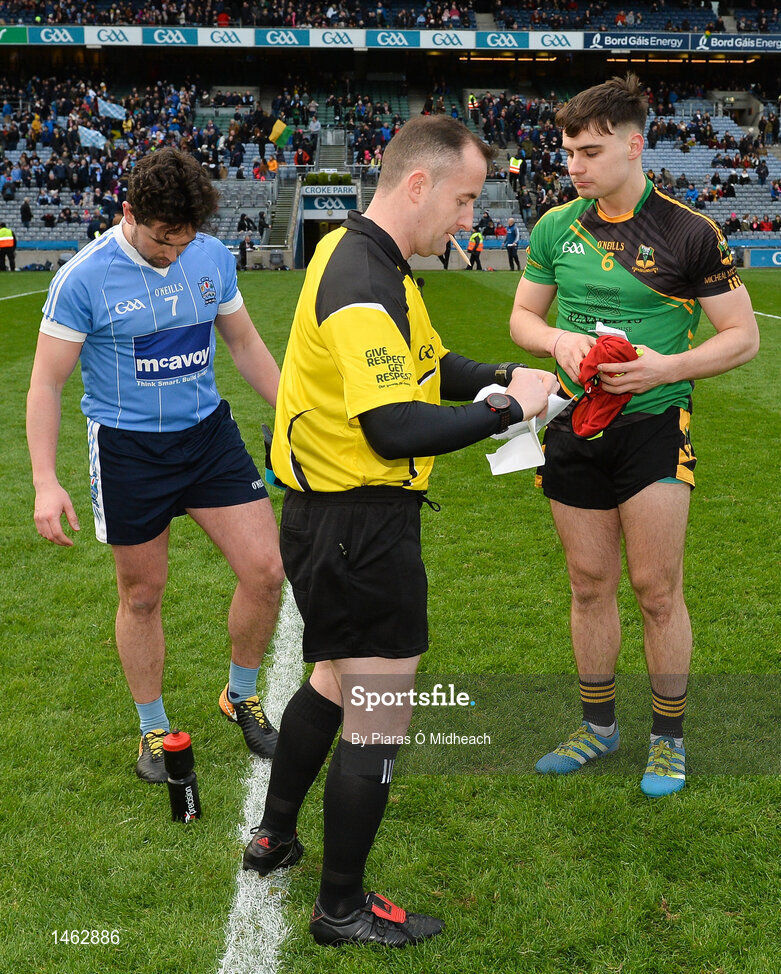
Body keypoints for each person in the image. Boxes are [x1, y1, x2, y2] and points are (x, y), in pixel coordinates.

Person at [241, 115, 557, 947]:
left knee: (334, 684)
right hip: (358, 523)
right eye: (460, 200)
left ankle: (273, 836)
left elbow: (425, 364)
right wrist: (503, 411)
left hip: (337, 520)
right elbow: (391, 425)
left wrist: (498, 374)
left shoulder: (369, 259)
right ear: (416, 185)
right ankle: (339, 910)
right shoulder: (361, 274)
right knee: (377, 709)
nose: (467, 220)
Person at [509, 74, 759, 798]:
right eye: (566, 152)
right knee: (588, 584)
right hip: (572, 423)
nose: (573, 166)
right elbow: (522, 320)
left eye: (587, 152)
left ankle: (666, 737)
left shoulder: (688, 231)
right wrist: (554, 341)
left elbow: (741, 340)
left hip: (653, 424)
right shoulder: (557, 226)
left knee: (654, 590)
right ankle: (597, 725)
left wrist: (663, 369)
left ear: (632, 144)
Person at [26, 148, 285, 784]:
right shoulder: (83, 278)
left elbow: (245, 343)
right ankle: (152, 728)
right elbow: (45, 384)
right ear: (128, 212)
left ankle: (241, 694)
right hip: (128, 449)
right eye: (162, 239)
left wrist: (293, 412)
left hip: (207, 438)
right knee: (142, 595)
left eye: (184, 240)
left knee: (267, 570)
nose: (173, 253)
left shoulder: (210, 258)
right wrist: (44, 480)